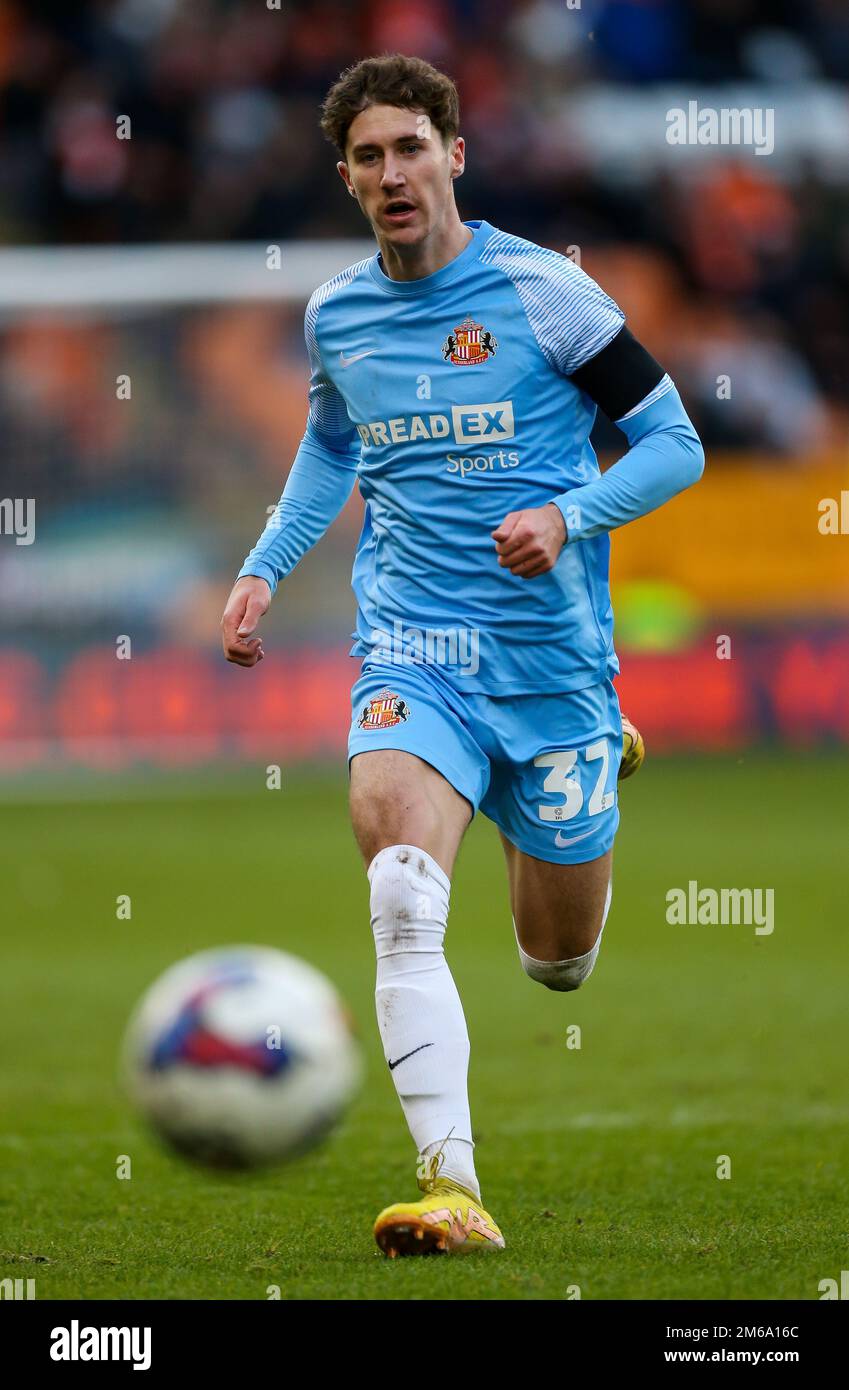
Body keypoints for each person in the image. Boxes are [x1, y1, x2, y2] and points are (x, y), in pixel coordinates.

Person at [221, 53, 704, 1257]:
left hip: (550, 666)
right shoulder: (338, 315)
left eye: (412, 148)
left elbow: (673, 442)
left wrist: (570, 515)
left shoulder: (547, 297)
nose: (394, 173)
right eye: (369, 157)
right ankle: (453, 1185)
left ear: (455, 155)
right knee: (398, 886)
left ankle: (601, 745)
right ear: (347, 176)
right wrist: (265, 566)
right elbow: (333, 449)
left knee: (559, 969)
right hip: (413, 649)